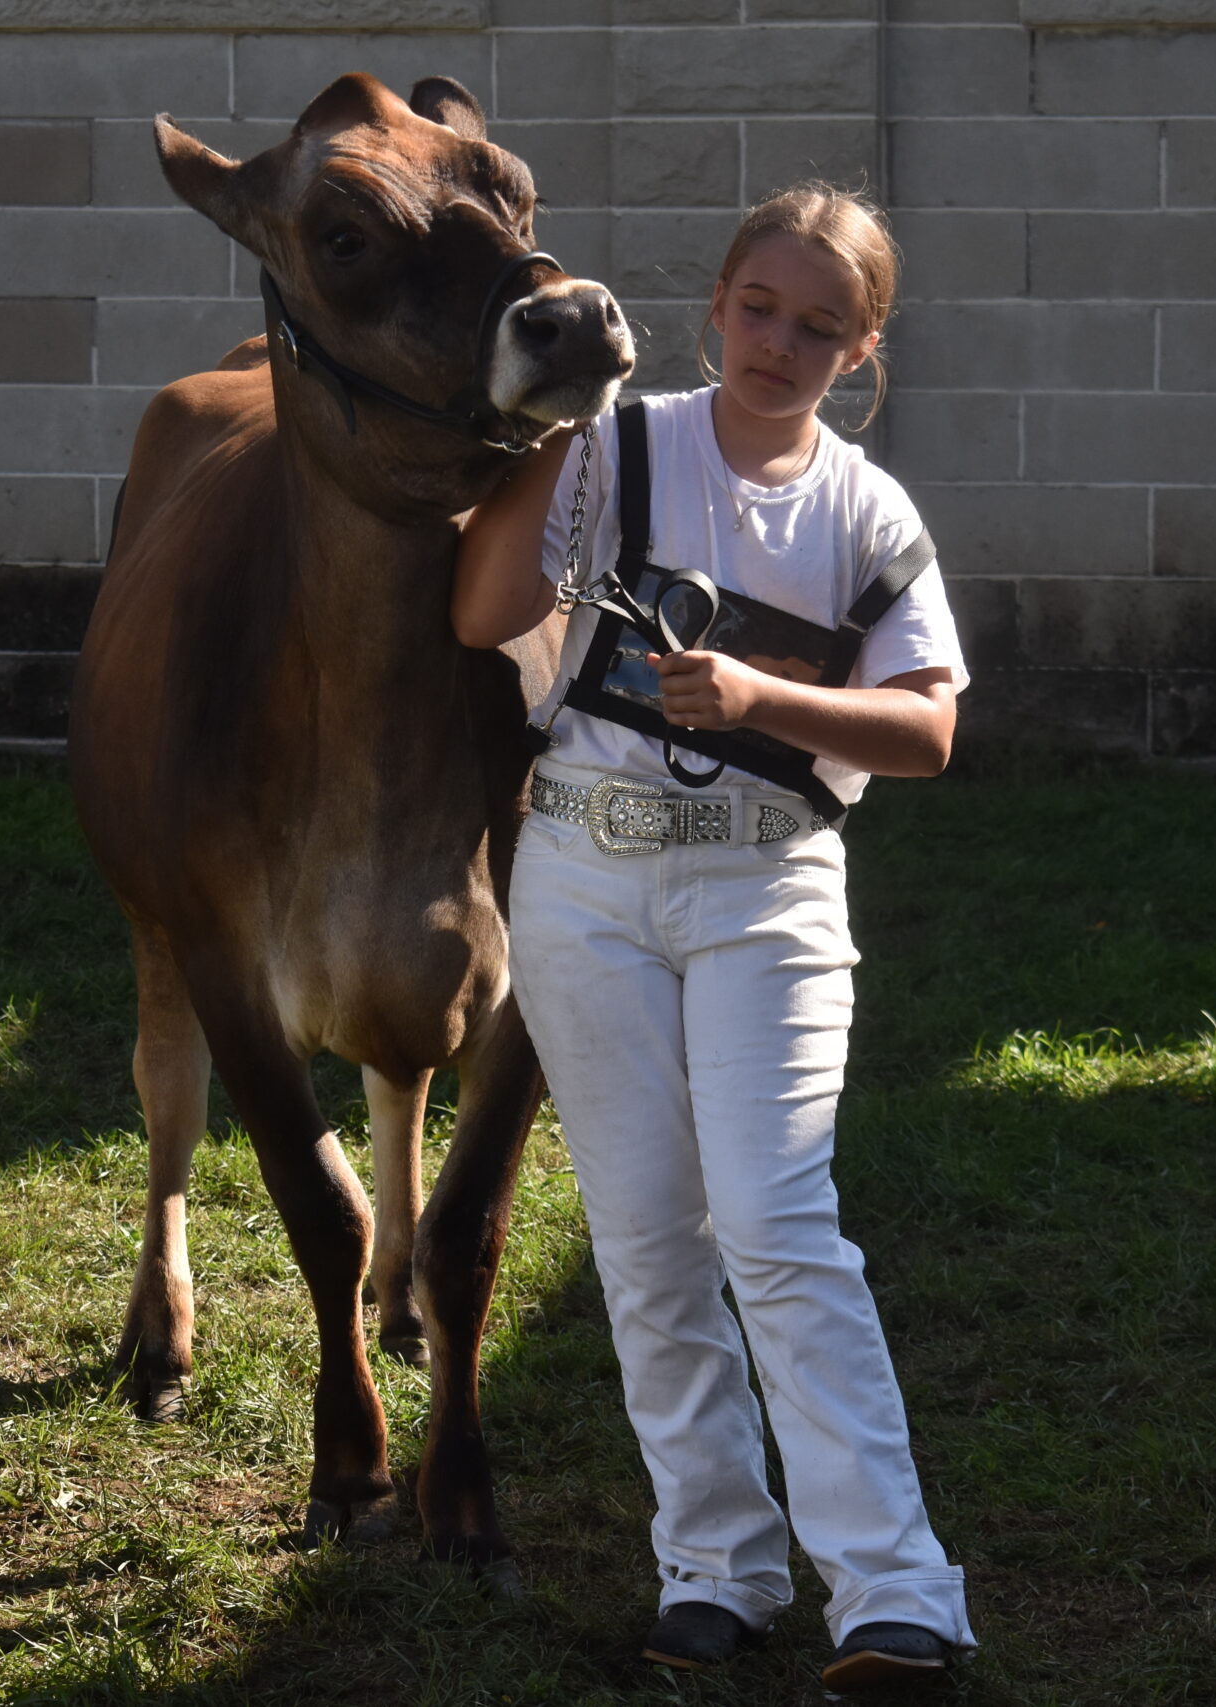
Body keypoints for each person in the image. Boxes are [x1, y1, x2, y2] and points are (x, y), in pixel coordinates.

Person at [450, 183, 974, 1695]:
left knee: (776, 1225)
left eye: (821, 325)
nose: (780, 344)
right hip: (584, 883)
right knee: (647, 1243)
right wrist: (558, 418)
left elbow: (930, 729)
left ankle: (897, 1595)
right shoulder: (624, 447)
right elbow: (484, 610)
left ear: (862, 348)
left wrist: (762, 703)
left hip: (770, 890)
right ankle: (718, 1568)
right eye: (760, 308)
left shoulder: (867, 509)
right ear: (715, 308)